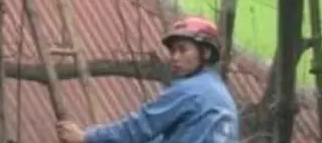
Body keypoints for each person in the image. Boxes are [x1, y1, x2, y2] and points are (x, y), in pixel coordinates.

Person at [56, 16, 239, 142]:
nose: (175, 57)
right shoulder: (220, 93)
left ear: (205, 52)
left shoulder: (189, 91)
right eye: (173, 50)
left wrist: (86, 137)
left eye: (183, 50)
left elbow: (139, 128)